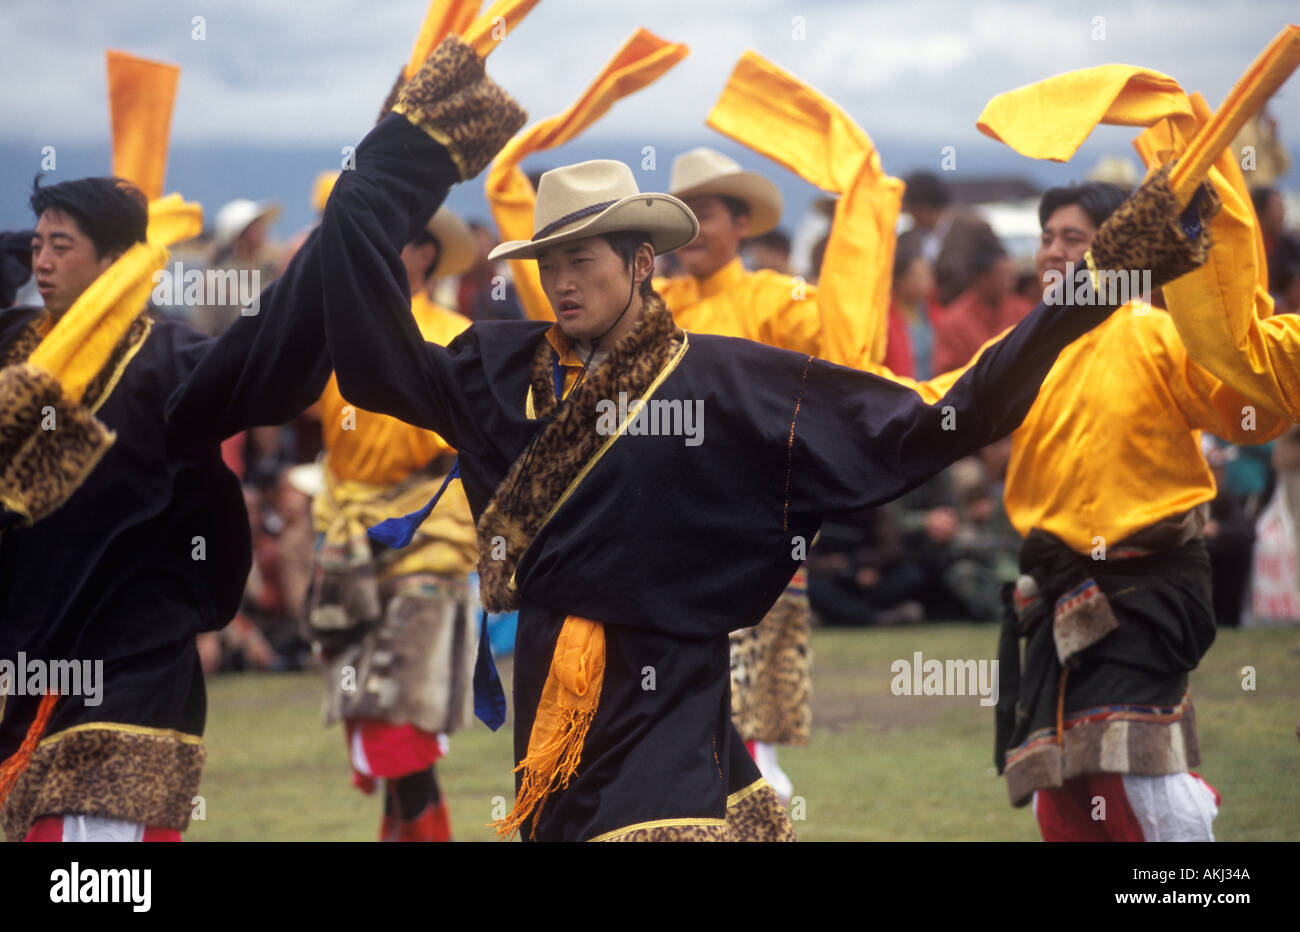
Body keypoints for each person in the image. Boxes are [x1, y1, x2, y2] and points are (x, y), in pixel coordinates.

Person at [318, 38, 1214, 840]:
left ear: (639, 262)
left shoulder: (731, 381)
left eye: (581, 260)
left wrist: (1087, 291)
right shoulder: (496, 371)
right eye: (549, 264)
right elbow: (374, 354)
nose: (562, 282)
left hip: (671, 696)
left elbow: (934, 421)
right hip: (554, 700)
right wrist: (387, 158)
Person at [0, 40, 521, 844]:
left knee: (402, 736)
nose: (41, 258)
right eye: (36, 245)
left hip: (155, 663)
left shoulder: (167, 359)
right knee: (374, 731)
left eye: (60, 245)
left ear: (111, 263)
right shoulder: (18, 359)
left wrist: (393, 163)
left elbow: (276, 341)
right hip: (38, 670)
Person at [307, 207, 479, 842]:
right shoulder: (339, 332)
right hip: (347, 532)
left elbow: (468, 442)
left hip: (426, 533)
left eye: (396, 243)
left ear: (426, 254)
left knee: (399, 717)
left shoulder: (453, 334)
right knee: (371, 711)